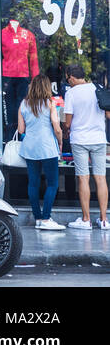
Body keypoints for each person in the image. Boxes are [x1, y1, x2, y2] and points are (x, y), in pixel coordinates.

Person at [62, 63, 110, 230]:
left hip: (80, 140)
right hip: (98, 138)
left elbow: (67, 122)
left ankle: (86, 219)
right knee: (101, 178)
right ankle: (104, 220)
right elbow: (108, 113)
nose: (68, 82)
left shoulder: (71, 93)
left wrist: (65, 131)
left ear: (72, 77)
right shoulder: (98, 87)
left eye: (68, 79)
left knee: (83, 178)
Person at [16, 73, 64, 231]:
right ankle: (46, 218)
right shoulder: (49, 103)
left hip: (29, 148)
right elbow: (57, 128)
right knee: (52, 184)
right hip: (47, 147)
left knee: (33, 184)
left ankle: (37, 218)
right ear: (46, 87)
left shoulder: (24, 104)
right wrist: (60, 141)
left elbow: (21, 130)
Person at [0, 17, 39, 133]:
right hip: (7, 78)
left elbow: (34, 61)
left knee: (23, 108)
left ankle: (22, 136)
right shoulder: (0, 35)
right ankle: (9, 138)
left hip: (24, 78)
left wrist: (35, 81)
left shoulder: (28, 35)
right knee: (10, 110)